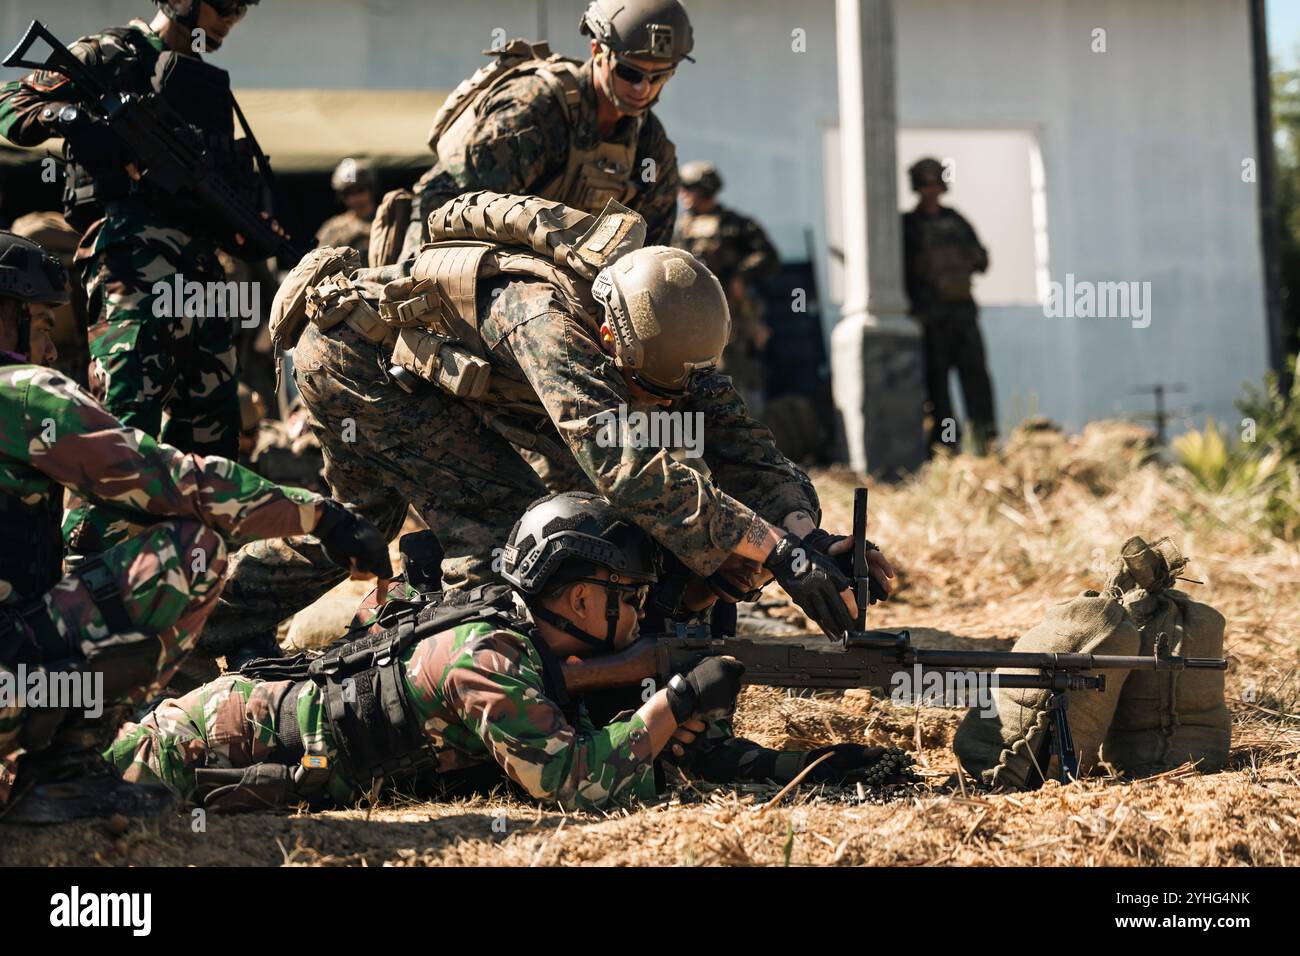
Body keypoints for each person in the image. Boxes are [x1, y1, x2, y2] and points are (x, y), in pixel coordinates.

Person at [194, 191, 897, 674]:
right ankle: (449, 684)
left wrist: (806, 536)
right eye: (647, 392)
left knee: (361, 530)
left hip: (432, 374)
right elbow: (624, 468)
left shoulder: (664, 332)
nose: (662, 405)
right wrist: (768, 548)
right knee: (509, 535)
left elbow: (744, 447)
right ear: (606, 335)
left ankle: (209, 620)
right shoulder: (546, 321)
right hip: (360, 363)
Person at [108, 491, 890, 810]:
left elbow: (589, 737)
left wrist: (785, 769)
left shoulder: (516, 632)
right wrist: (672, 703)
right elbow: (568, 781)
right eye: (626, 598)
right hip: (197, 743)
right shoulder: (487, 655)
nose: (638, 617)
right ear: (581, 599)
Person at [0, 230, 392, 824]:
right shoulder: (19, 394)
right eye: (38, 324)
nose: (52, 350)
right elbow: (168, 478)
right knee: (193, 551)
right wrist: (321, 516)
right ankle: (64, 772)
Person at [0, 1, 284, 554]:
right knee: (123, 430)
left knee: (212, 441)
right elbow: (10, 107)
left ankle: (202, 598)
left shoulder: (202, 83)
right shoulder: (114, 52)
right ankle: (90, 578)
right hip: (130, 265)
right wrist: (74, 118)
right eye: (222, 4)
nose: (229, 19)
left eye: (240, 9)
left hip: (200, 278)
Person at [395, 0, 693, 263]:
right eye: (630, 72)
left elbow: (650, 256)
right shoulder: (538, 110)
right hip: (460, 251)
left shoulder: (651, 148)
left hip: (557, 280)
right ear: (598, 51)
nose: (644, 88)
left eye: (660, 75)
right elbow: (450, 202)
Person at [902, 157, 997, 454]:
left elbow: (982, 260)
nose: (931, 190)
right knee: (939, 392)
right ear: (918, 187)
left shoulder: (956, 221)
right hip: (932, 321)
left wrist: (959, 258)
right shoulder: (908, 225)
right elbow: (902, 272)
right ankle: (947, 448)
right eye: (926, 183)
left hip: (962, 316)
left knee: (976, 382)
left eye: (935, 183)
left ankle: (986, 443)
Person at [673, 160, 780, 414]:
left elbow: (768, 256)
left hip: (731, 315)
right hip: (690, 317)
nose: (683, 194)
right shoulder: (679, 228)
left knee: (734, 374)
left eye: (690, 187)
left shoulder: (735, 225)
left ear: (706, 189)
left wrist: (741, 276)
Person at [316, 157, 378, 263]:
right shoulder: (334, 228)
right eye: (348, 193)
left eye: (360, 190)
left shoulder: (389, 221)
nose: (355, 198)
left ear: (371, 190)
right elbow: (318, 263)